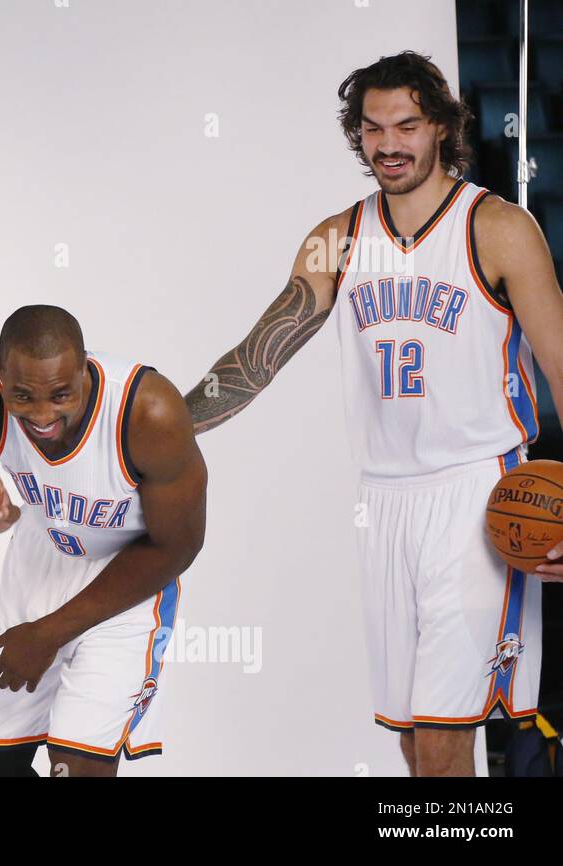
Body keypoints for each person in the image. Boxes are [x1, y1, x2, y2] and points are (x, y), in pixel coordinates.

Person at [185, 52, 563, 776]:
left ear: (443, 128)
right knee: (415, 739)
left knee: (446, 734)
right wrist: (153, 422)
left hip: (479, 495)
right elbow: (257, 359)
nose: (389, 144)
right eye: (372, 128)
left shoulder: (499, 229)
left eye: (407, 125)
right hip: (384, 499)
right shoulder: (339, 237)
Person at [0, 305, 206, 776]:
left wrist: (48, 633)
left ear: (86, 368)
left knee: (76, 769)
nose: (43, 415)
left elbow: (178, 547)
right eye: (22, 396)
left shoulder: (149, 410)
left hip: (128, 577)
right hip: (41, 561)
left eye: (61, 394)